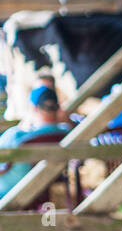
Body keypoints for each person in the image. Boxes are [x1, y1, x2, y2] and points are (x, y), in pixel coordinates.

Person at [0, 72, 72, 201]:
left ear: (33, 108)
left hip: (9, 193)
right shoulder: (66, 134)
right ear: (57, 107)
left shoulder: (16, 136)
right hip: (43, 191)